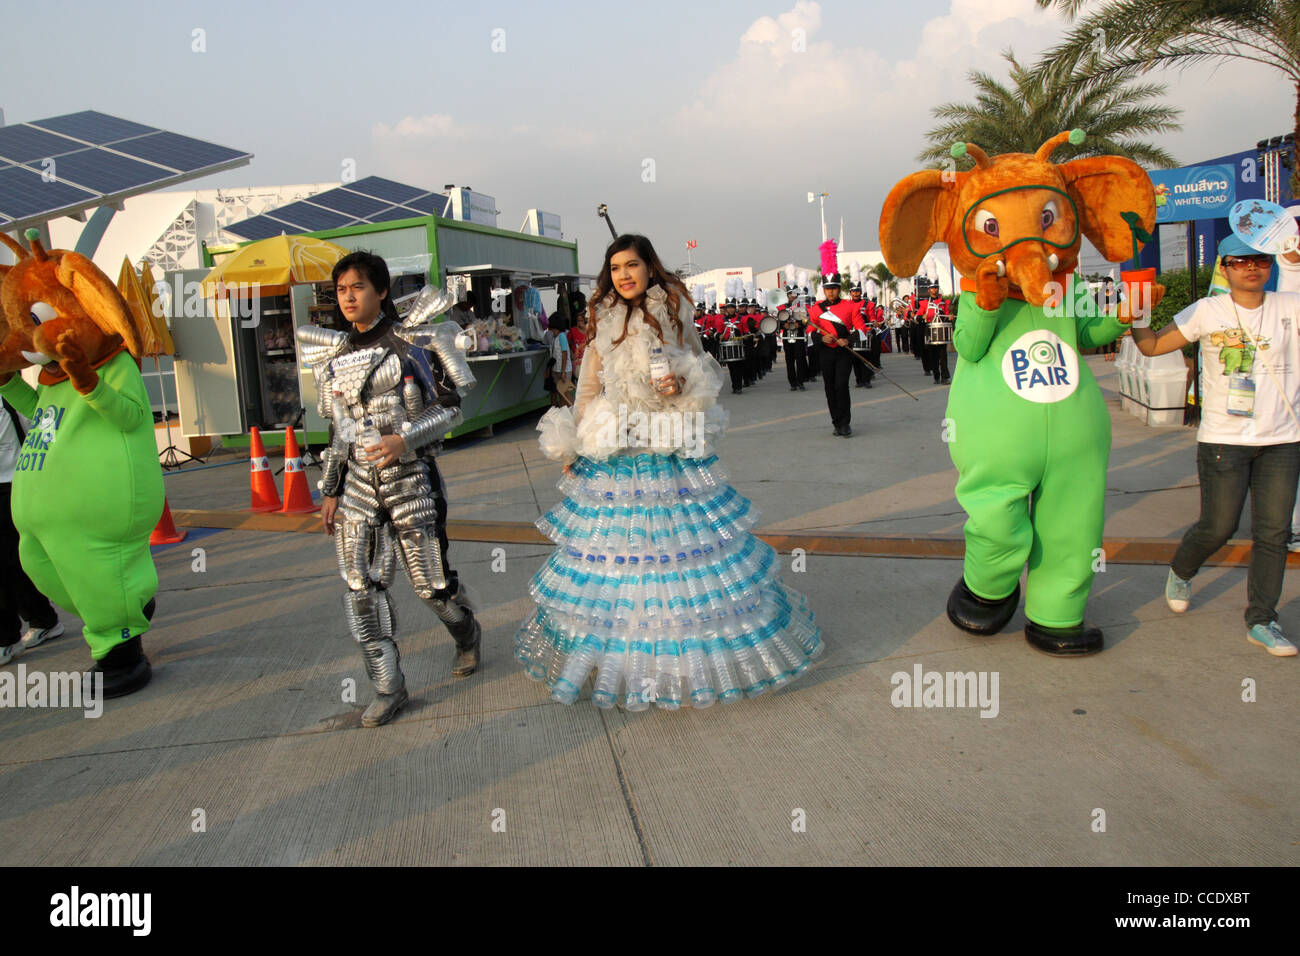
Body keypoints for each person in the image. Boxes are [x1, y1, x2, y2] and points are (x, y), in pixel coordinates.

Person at [519, 234, 824, 709]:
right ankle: (623, 658)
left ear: (649, 268)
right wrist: (576, 439)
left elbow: (700, 365)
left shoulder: (674, 309)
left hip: (668, 443)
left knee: (680, 549)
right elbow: (588, 386)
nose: (623, 274)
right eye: (615, 266)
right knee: (621, 551)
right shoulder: (601, 317)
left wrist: (678, 381)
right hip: (618, 446)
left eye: (632, 265)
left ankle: (685, 666)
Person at [299, 252, 483, 727]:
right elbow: (339, 429)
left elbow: (451, 408)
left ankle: (466, 633)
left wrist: (404, 438)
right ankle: (389, 688)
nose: (348, 298)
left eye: (357, 288)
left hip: (411, 478)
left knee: (430, 587)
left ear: (380, 291)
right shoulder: (334, 357)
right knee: (361, 587)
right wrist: (331, 488)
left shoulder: (413, 342)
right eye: (340, 290)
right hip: (359, 485)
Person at [1129, 235, 1300, 657]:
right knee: (1219, 526)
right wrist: (1136, 314)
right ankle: (1183, 568)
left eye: (1260, 260)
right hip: (1224, 439)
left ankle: (1262, 619)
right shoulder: (1207, 310)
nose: (1252, 268)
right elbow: (1152, 346)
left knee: (1273, 534)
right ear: (1224, 268)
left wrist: (1294, 261)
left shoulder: (1289, 306)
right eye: (1240, 262)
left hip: (1283, 438)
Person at [0, 399, 63, 666]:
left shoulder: (9, 398)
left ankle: (7, 637)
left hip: (13, 484)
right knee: (11, 563)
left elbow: (44, 433)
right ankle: (42, 620)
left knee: (14, 562)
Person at [808, 269, 857, 437]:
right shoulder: (815, 309)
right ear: (824, 289)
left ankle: (845, 423)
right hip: (825, 353)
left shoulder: (850, 306)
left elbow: (862, 330)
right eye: (828, 288)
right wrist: (821, 338)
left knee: (841, 385)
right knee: (830, 388)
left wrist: (848, 340)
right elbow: (809, 332)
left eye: (834, 288)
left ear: (839, 288)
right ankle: (836, 422)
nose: (831, 291)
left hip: (844, 352)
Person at [923, 291, 951, 384]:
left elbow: (947, 314)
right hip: (930, 331)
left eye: (935, 288)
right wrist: (923, 316)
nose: (934, 290)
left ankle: (945, 377)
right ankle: (936, 376)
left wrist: (949, 316)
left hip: (941, 331)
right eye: (932, 288)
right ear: (929, 290)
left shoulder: (944, 302)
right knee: (933, 356)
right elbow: (918, 316)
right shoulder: (925, 303)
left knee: (943, 356)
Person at [546, 313, 573, 407]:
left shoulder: (561, 336)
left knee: (565, 394)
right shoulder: (555, 338)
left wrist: (562, 372)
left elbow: (564, 354)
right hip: (556, 370)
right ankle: (564, 413)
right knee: (562, 393)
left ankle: (571, 413)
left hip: (563, 370)